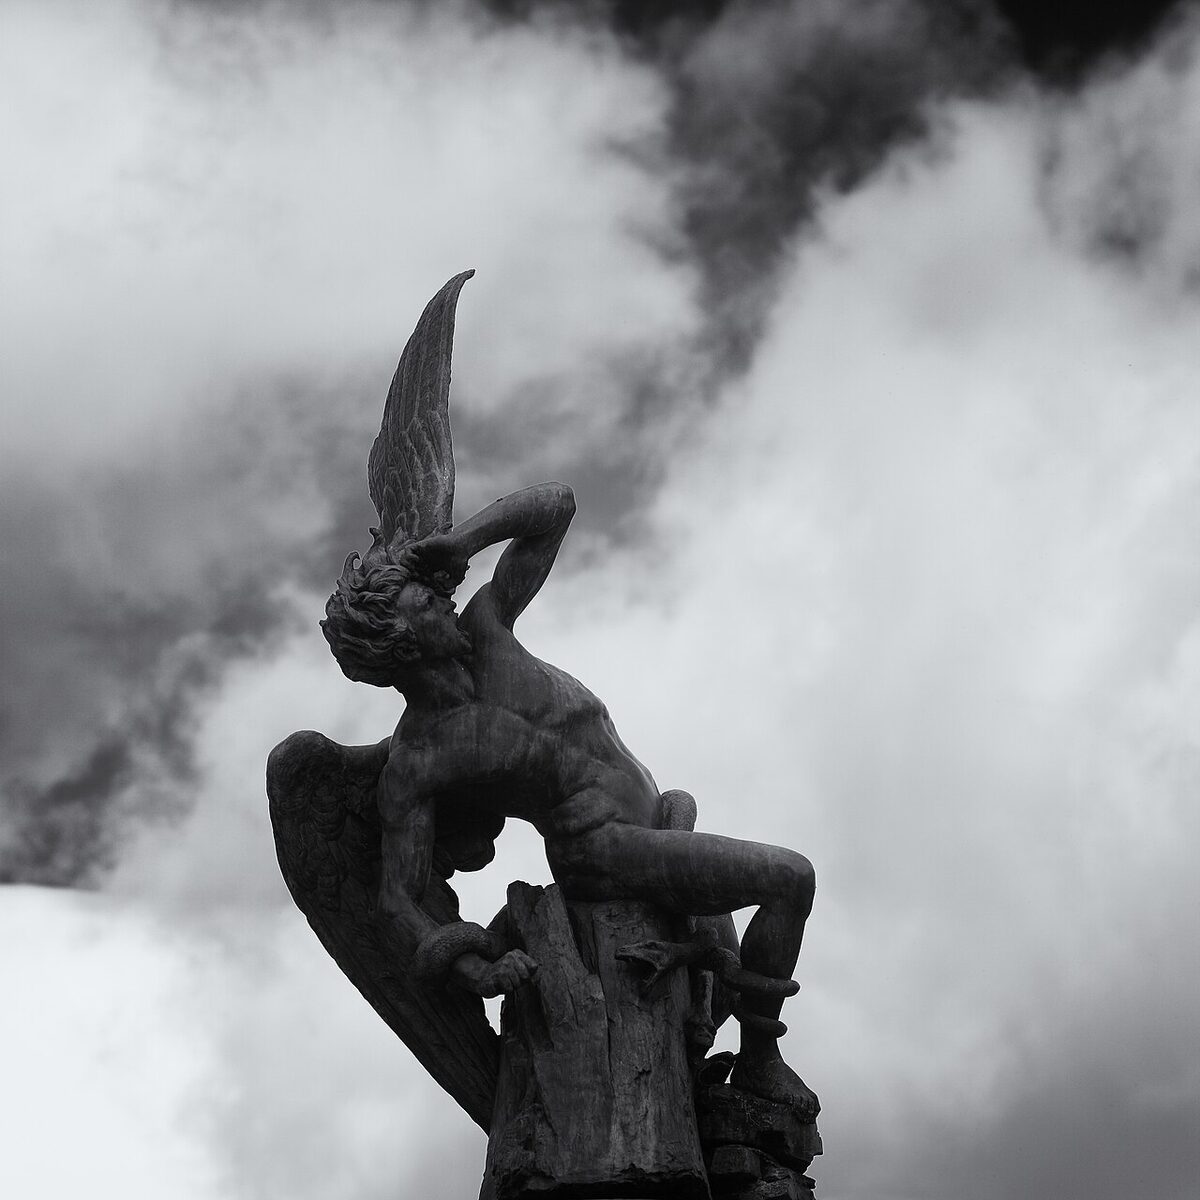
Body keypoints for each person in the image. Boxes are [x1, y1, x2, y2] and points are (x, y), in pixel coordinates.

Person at [321, 481, 817, 1113]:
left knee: (728, 956)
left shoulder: (487, 626)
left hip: (656, 822)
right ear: (400, 638)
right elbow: (397, 898)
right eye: (427, 601)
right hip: (602, 849)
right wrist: (474, 967)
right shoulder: (418, 759)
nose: (446, 601)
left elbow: (557, 505)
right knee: (789, 879)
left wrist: (462, 540)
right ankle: (761, 1060)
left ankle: (728, 1055)